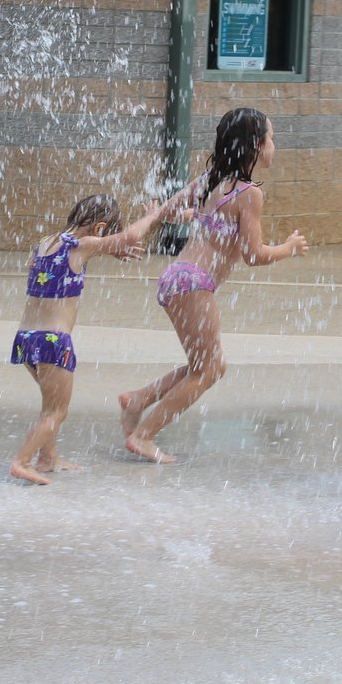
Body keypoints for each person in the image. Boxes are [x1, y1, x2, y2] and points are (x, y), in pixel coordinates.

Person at [118, 108, 307, 463]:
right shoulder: (249, 193)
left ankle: (139, 399)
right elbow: (254, 255)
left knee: (208, 366)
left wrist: (154, 217)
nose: (274, 145)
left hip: (177, 278)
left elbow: (170, 211)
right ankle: (143, 435)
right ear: (256, 146)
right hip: (194, 283)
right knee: (208, 370)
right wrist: (288, 248)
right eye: (272, 138)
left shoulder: (210, 180)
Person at [8, 192, 171, 484]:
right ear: (99, 228)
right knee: (57, 411)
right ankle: (22, 461)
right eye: (104, 235)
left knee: (49, 404)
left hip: (26, 338)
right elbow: (131, 236)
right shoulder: (83, 245)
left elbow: (67, 262)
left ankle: (47, 458)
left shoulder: (46, 242)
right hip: (53, 342)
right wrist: (153, 216)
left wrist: (107, 248)